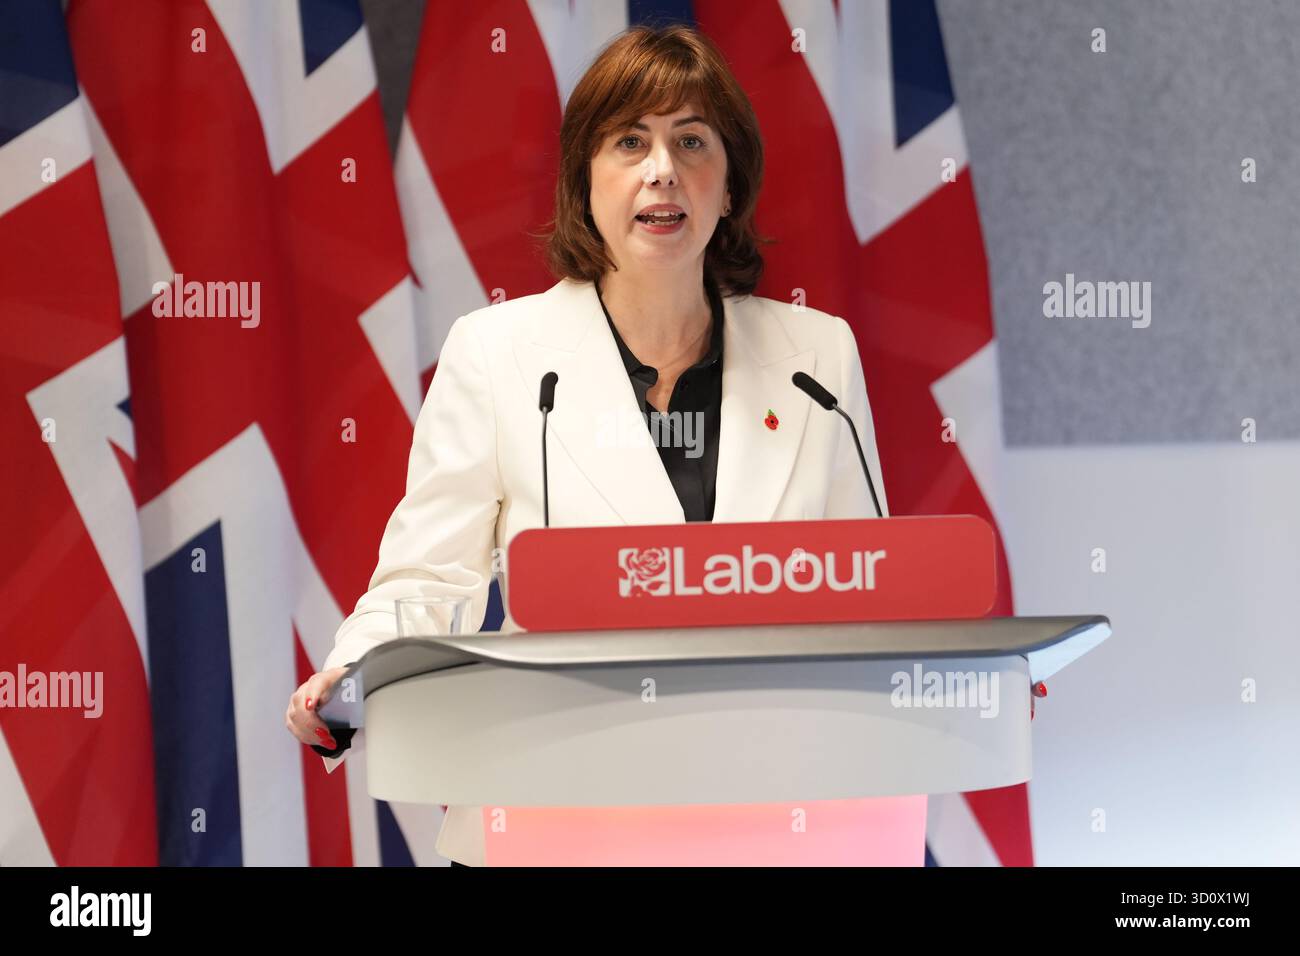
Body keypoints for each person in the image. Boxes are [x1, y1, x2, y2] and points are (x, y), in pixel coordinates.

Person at [285, 23, 888, 866]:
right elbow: (429, 578)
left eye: (691, 141)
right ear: (587, 179)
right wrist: (347, 676)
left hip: (761, 825)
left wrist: (972, 683)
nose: (662, 169)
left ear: (728, 184)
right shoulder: (499, 354)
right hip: (551, 821)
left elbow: (870, 596)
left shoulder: (817, 357)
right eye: (629, 141)